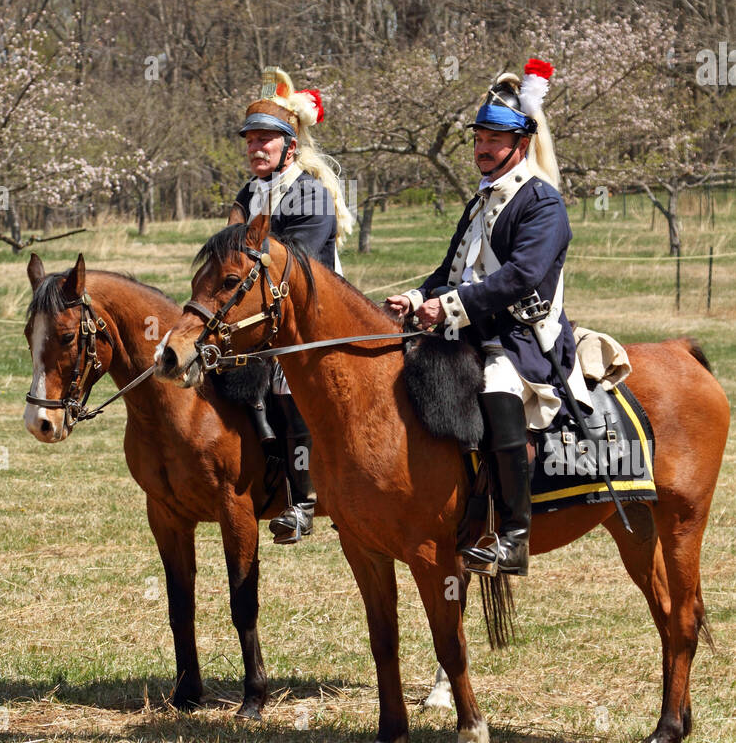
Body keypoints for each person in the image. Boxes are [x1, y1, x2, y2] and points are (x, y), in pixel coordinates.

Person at [385, 59, 591, 576]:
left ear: (521, 143)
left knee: (497, 389)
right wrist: (415, 297)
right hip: (472, 328)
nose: (483, 146)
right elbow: (451, 267)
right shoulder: (480, 201)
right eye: (478, 136)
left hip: (523, 336)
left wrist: (449, 306)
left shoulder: (543, 203)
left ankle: (514, 535)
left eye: (495, 138)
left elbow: (521, 276)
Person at [229, 68, 355, 543]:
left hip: (310, 314)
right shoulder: (248, 193)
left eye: (266, 140)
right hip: (261, 309)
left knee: (284, 386)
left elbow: (296, 265)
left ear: (289, 146)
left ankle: (302, 501)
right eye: (251, 141)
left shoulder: (309, 192)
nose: (256, 148)